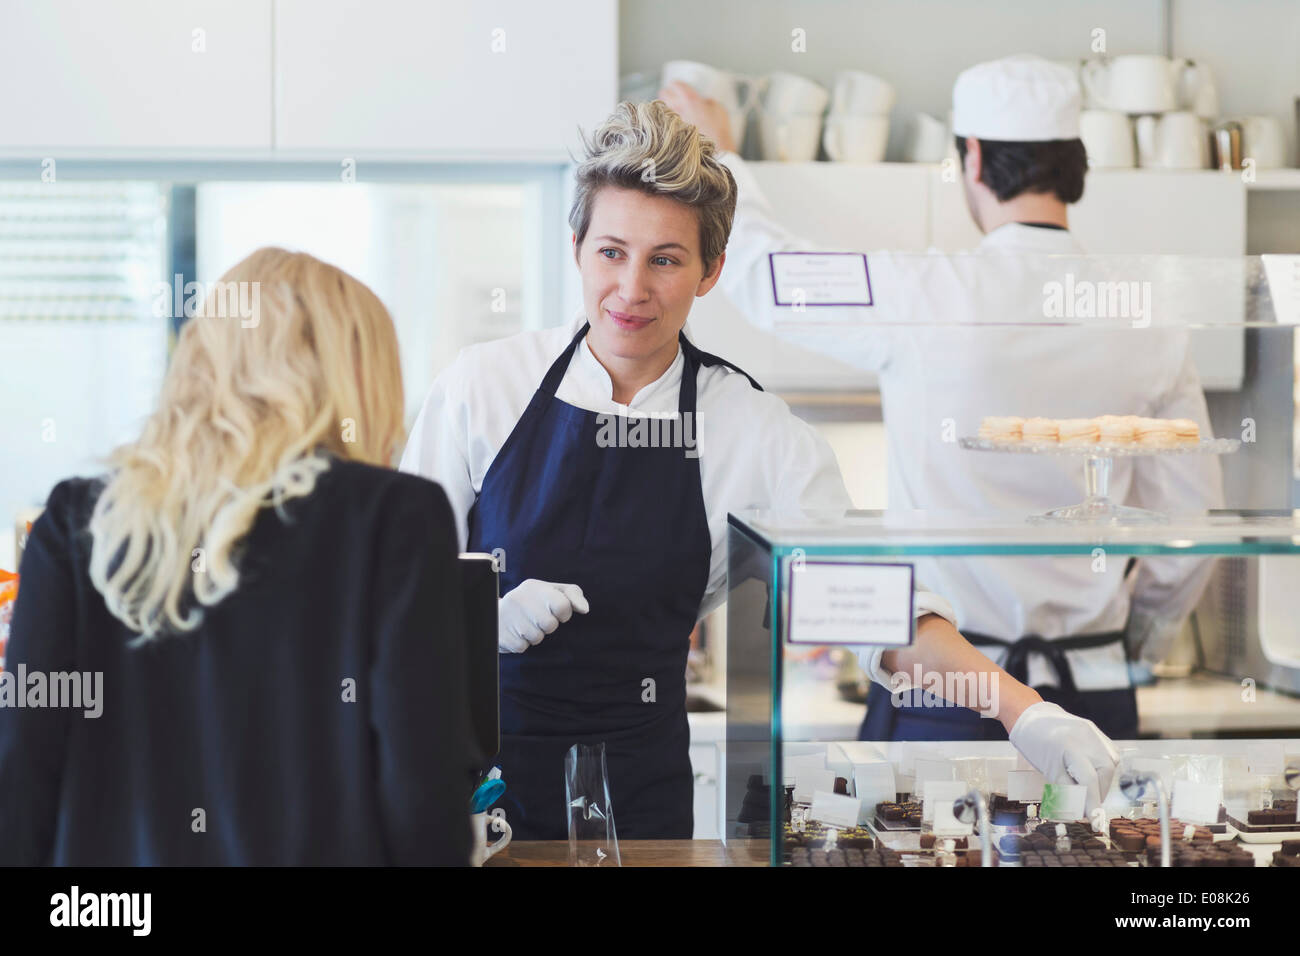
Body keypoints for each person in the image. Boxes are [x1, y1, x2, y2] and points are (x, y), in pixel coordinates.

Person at [400, 99, 1122, 837]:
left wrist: (1025, 712)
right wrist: (477, 621)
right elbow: (390, 600)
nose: (631, 289)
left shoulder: (754, 433)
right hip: (472, 799)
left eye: (666, 260)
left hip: (639, 804)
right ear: (577, 246)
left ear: (712, 270)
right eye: (612, 251)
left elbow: (883, 615)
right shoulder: (480, 388)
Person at [662, 54, 1224, 743]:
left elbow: (774, 279)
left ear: (975, 158)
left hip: (946, 684)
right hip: (1093, 695)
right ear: (1076, 162)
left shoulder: (928, 294)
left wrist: (723, 155)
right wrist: (1132, 647)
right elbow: (1189, 530)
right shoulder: (1149, 317)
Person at [0, 248, 479, 865]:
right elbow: (423, 786)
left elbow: (22, 773)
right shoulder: (393, 517)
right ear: (355, 376)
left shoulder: (78, 520)